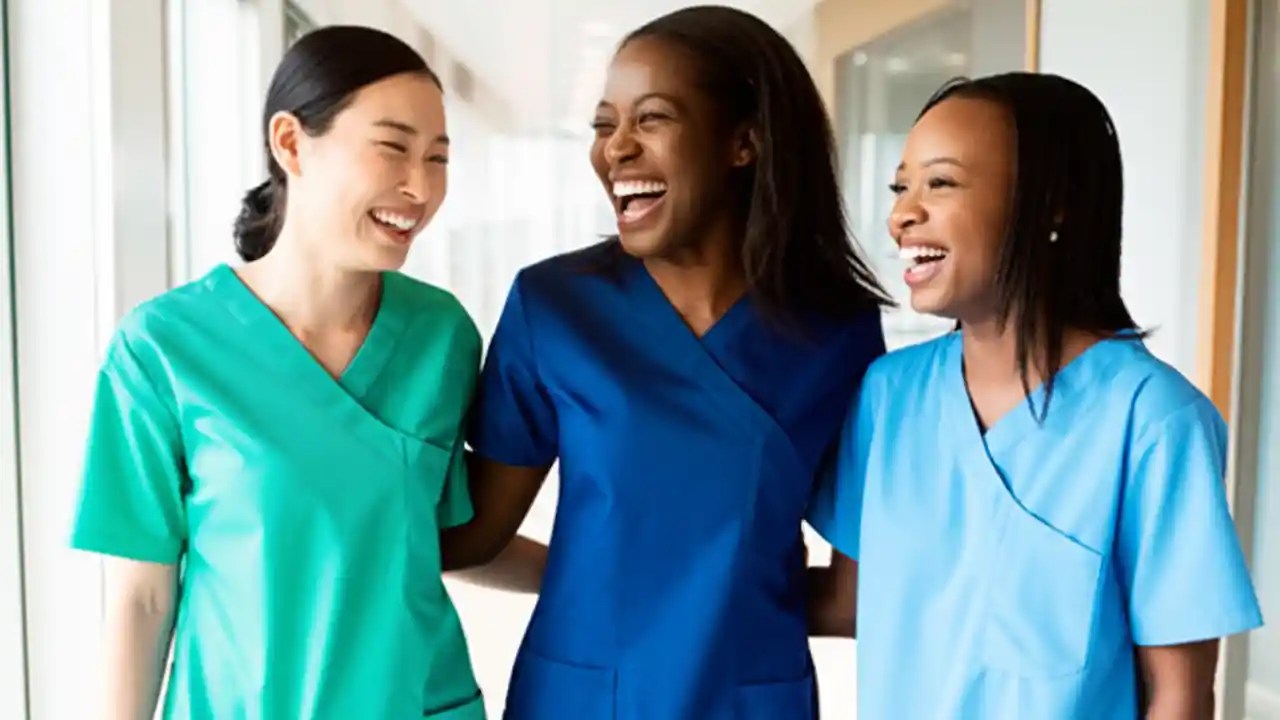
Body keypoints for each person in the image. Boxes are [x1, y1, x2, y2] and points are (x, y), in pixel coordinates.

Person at [440, 6, 887, 719]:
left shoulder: (838, 331)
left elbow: (851, 597)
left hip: (750, 700)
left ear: (745, 142)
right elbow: (472, 533)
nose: (614, 148)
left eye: (651, 119)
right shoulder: (554, 307)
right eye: (603, 124)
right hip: (579, 698)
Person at [808, 72, 1265, 719]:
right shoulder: (888, 396)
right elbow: (848, 602)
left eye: (940, 183)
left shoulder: (1154, 420)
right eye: (900, 187)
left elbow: (1180, 695)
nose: (902, 214)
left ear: (1051, 203)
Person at [69, 26, 486, 720]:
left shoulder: (442, 337)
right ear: (291, 143)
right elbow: (142, 596)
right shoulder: (164, 348)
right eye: (393, 148)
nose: (420, 186)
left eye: (439, 158)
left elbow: (438, 535)